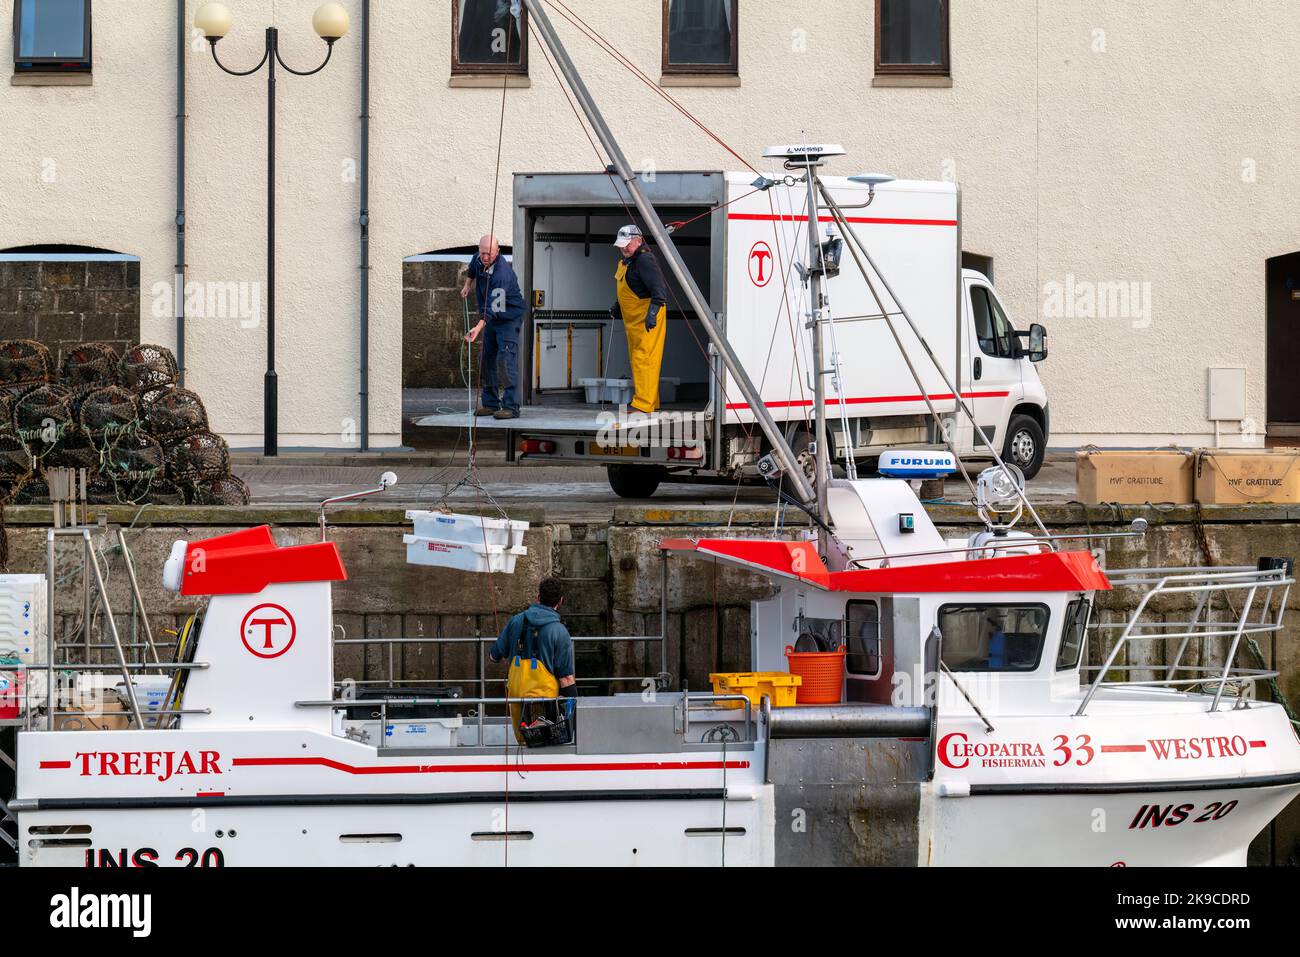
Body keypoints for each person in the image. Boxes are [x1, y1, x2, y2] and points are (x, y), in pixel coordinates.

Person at [489, 577, 576, 744]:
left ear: (538, 598)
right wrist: (575, 710)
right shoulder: (559, 631)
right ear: (561, 601)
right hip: (545, 700)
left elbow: (494, 656)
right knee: (545, 742)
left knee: (523, 741)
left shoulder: (516, 621)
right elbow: (566, 679)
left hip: (517, 694)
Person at [462, 234, 526, 419]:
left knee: (505, 360)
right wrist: (467, 285)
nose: (485, 257)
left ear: (497, 252)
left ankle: (511, 407)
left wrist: (477, 328)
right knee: (485, 358)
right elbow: (472, 269)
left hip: (508, 318)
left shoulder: (501, 274)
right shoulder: (477, 257)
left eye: (489, 253)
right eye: (482, 253)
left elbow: (492, 308)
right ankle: (490, 403)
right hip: (491, 319)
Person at [610, 224, 669, 413]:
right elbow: (628, 288)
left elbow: (658, 289)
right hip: (633, 322)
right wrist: (617, 305)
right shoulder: (626, 263)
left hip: (647, 319)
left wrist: (652, 314)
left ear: (639, 240)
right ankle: (651, 401)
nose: (624, 248)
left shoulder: (645, 260)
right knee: (638, 359)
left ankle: (643, 404)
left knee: (645, 359)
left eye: (628, 244)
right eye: (621, 245)